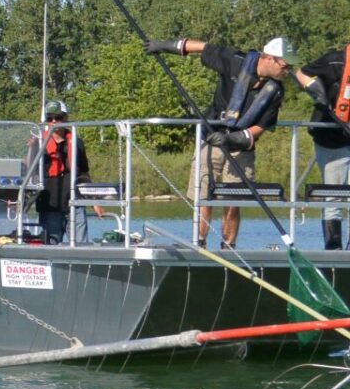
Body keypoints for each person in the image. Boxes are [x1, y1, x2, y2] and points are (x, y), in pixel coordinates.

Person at [144, 35, 290, 248]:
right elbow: (203, 48)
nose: (287, 71)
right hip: (210, 137)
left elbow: (261, 127)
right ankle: (200, 242)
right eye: (285, 66)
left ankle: (229, 246)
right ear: (269, 59)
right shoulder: (235, 60)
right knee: (203, 194)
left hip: (241, 146)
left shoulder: (276, 91)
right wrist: (163, 46)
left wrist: (232, 138)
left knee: (233, 199)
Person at [288, 44, 350, 251]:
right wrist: (318, 94)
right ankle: (334, 250)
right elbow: (300, 74)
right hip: (332, 139)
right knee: (334, 197)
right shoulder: (334, 60)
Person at [32, 99, 90, 244]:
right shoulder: (38, 143)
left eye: (58, 118)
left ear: (65, 118)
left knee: (80, 244)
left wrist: (94, 202)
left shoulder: (76, 141)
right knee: (51, 241)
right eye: (49, 118)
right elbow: (29, 173)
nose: (54, 121)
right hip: (49, 203)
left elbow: (84, 173)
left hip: (74, 202)